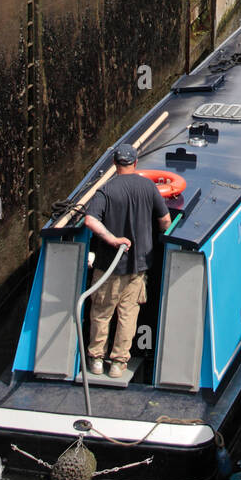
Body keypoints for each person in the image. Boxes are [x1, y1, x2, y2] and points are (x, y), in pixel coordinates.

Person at [84, 144, 171, 379]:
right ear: (135, 163)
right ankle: (118, 363)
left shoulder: (106, 191)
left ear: (114, 164)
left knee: (101, 313)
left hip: (107, 268)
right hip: (138, 267)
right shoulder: (148, 187)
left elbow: (90, 221)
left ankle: (96, 361)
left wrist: (111, 239)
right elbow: (165, 220)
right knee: (128, 316)